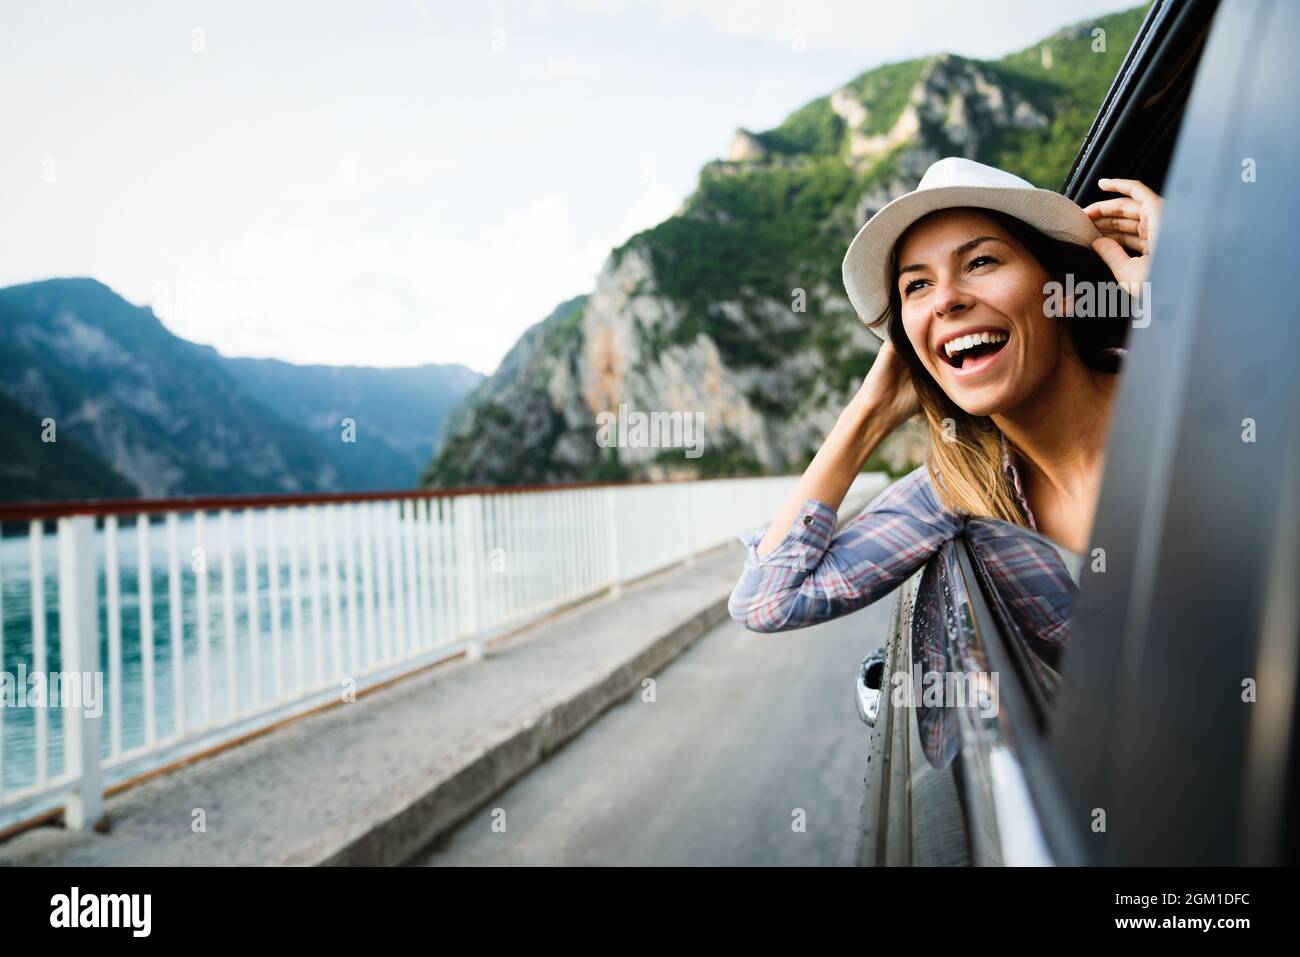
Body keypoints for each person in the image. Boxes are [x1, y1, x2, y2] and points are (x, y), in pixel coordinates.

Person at [728, 157, 1163, 635]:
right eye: (917, 285)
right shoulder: (962, 488)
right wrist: (867, 415)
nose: (945, 299)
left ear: (1060, 291)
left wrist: (1191, 300)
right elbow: (767, 601)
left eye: (980, 262)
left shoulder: (1188, 394)